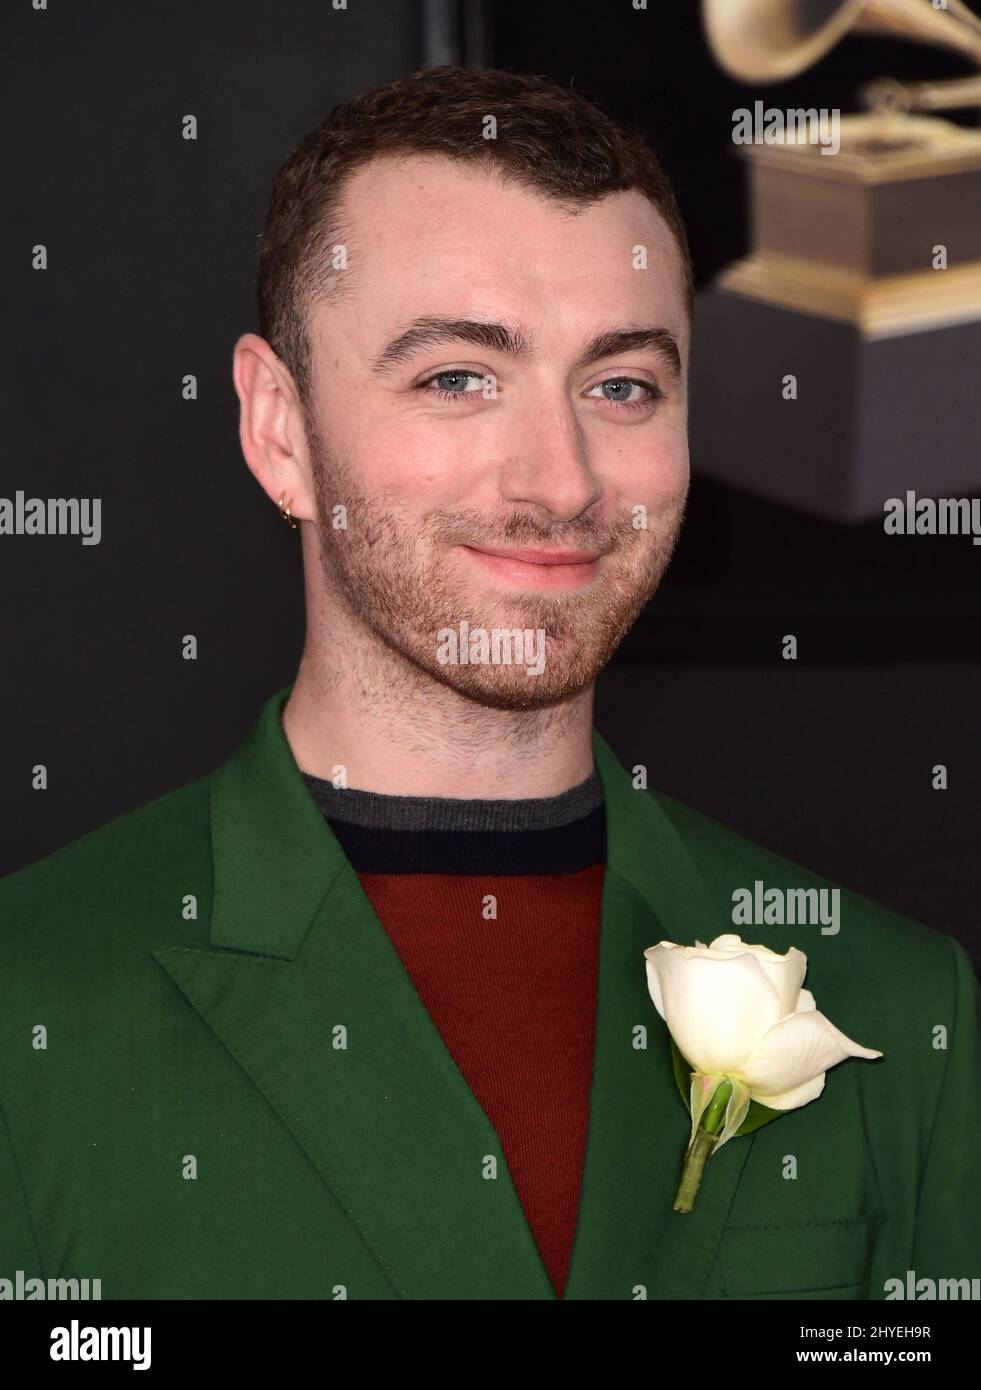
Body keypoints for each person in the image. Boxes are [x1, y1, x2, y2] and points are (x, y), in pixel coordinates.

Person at [1, 64, 978, 1302]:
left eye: (620, 385)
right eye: (458, 377)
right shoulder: (30, 1002)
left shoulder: (897, 1002)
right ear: (280, 432)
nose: (560, 481)